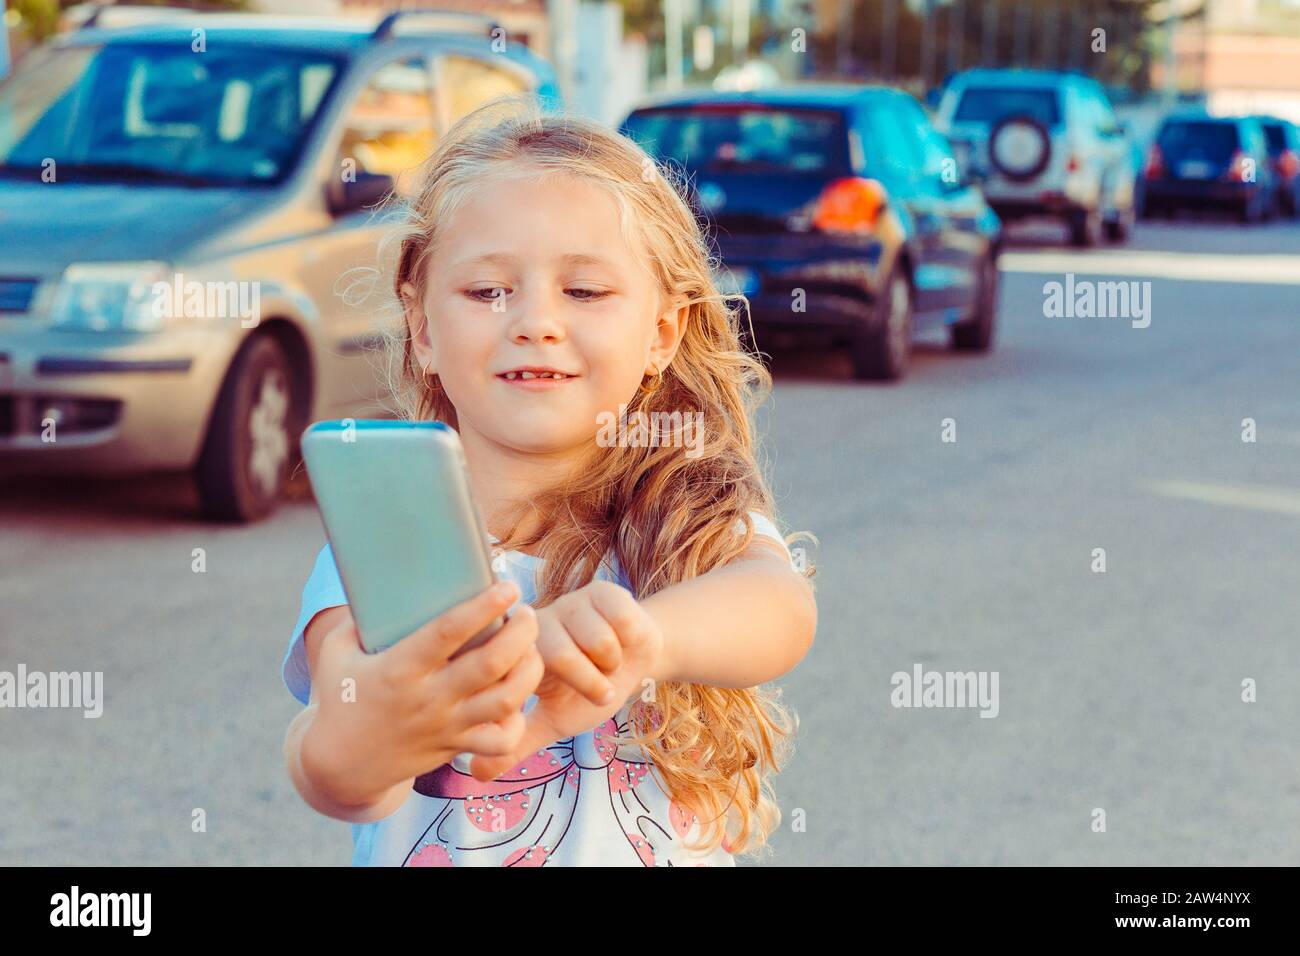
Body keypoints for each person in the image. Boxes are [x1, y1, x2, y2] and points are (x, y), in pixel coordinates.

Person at [281, 95, 817, 866]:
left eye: (586, 291)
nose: (534, 320)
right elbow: (331, 769)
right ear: (423, 328)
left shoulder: (687, 511)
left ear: (662, 333)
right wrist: (381, 729)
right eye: (486, 290)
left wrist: (645, 639)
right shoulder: (391, 553)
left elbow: (780, 611)